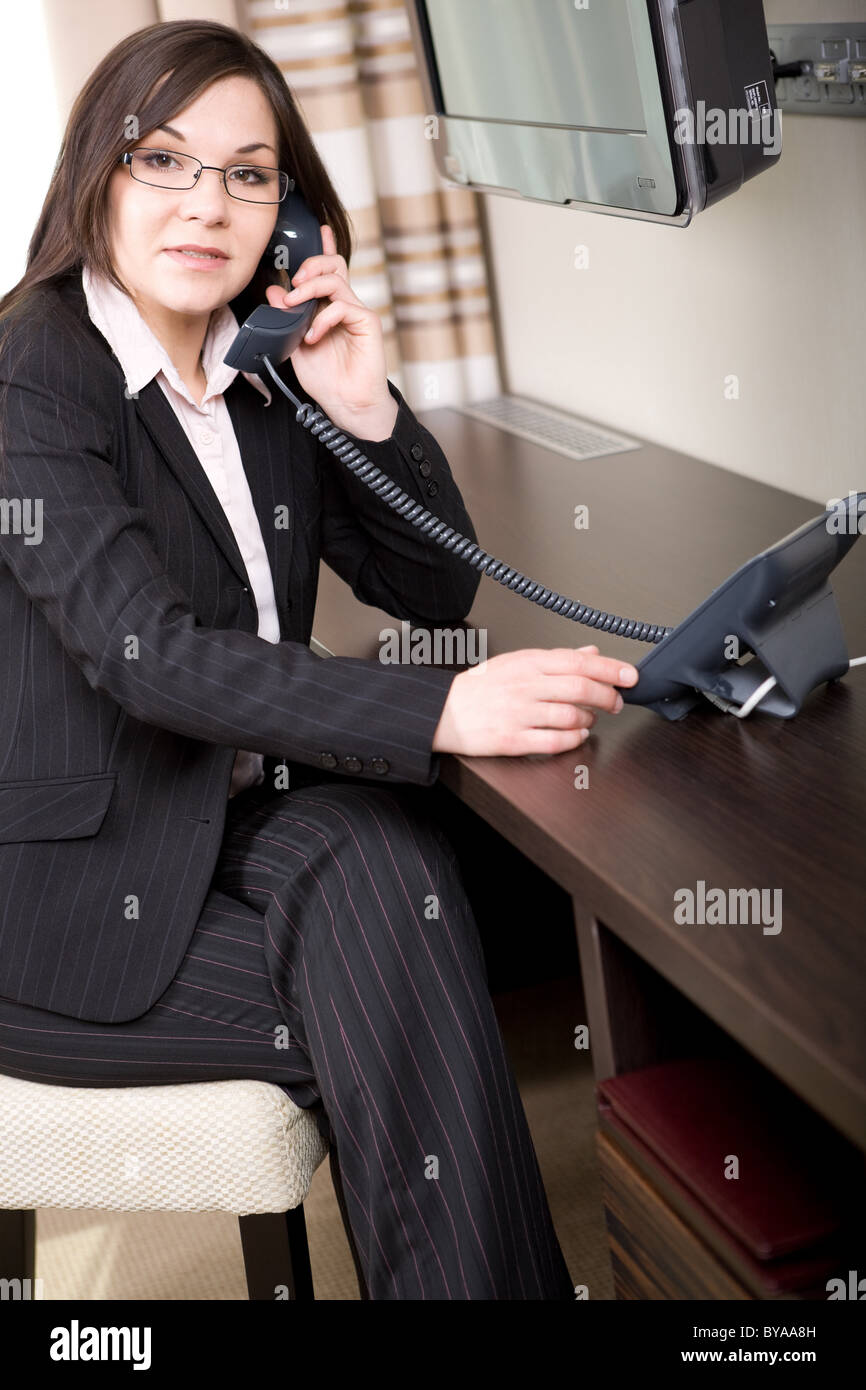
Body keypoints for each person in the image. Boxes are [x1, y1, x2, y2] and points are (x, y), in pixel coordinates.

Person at [0, 19, 638, 1300]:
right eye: (163, 161)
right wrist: (440, 706)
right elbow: (150, 657)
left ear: (287, 209)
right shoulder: (33, 374)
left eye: (249, 172)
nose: (207, 203)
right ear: (97, 176)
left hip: (223, 824)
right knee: (403, 980)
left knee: (385, 862)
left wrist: (364, 406)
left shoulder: (260, 368)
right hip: (66, 893)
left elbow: (429, 583)